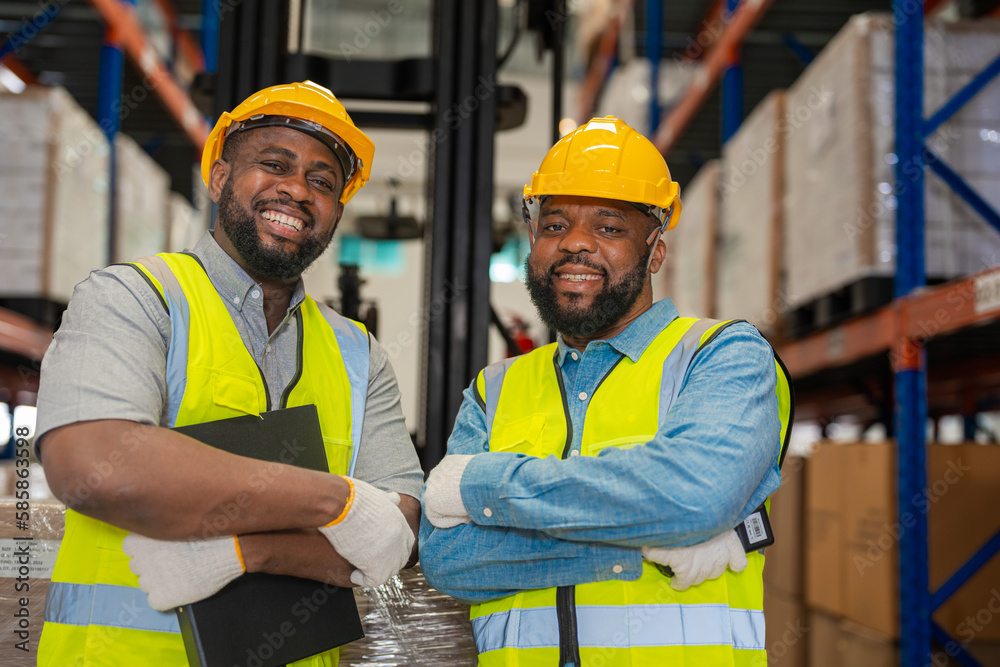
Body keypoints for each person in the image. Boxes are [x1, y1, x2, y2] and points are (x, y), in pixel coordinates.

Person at [35, 81, 423, 667]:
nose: (298, 190)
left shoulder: (359, 355)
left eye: (322, 181)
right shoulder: (136, 298)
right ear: (219, 178)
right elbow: (94, 466)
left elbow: (399, 534)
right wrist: (337, 502)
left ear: (337, 212)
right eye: (275, 164)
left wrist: (246, 552)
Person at [420, 116, 793, 666]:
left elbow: (692, 497)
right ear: (533, 242)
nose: (575, 243)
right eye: (555, 225)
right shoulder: (492, 389)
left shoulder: (721, 354)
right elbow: (449, 559)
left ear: (655, 251)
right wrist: (647, 543)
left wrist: (485, 483)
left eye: (610, 227)